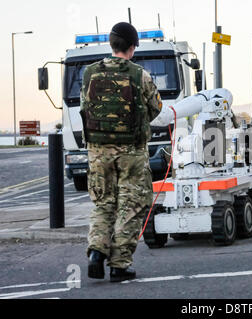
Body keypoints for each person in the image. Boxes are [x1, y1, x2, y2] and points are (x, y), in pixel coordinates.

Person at [80, 22, 163, 283]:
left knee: (103, 202)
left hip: (97, 151)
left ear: (112, 44)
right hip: (131, 151)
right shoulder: (140, 75)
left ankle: (96, 250)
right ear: (132, 47)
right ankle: (119, 264)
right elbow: (156, 107)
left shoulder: (89, 73)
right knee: (132, 203)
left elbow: (85, 105)